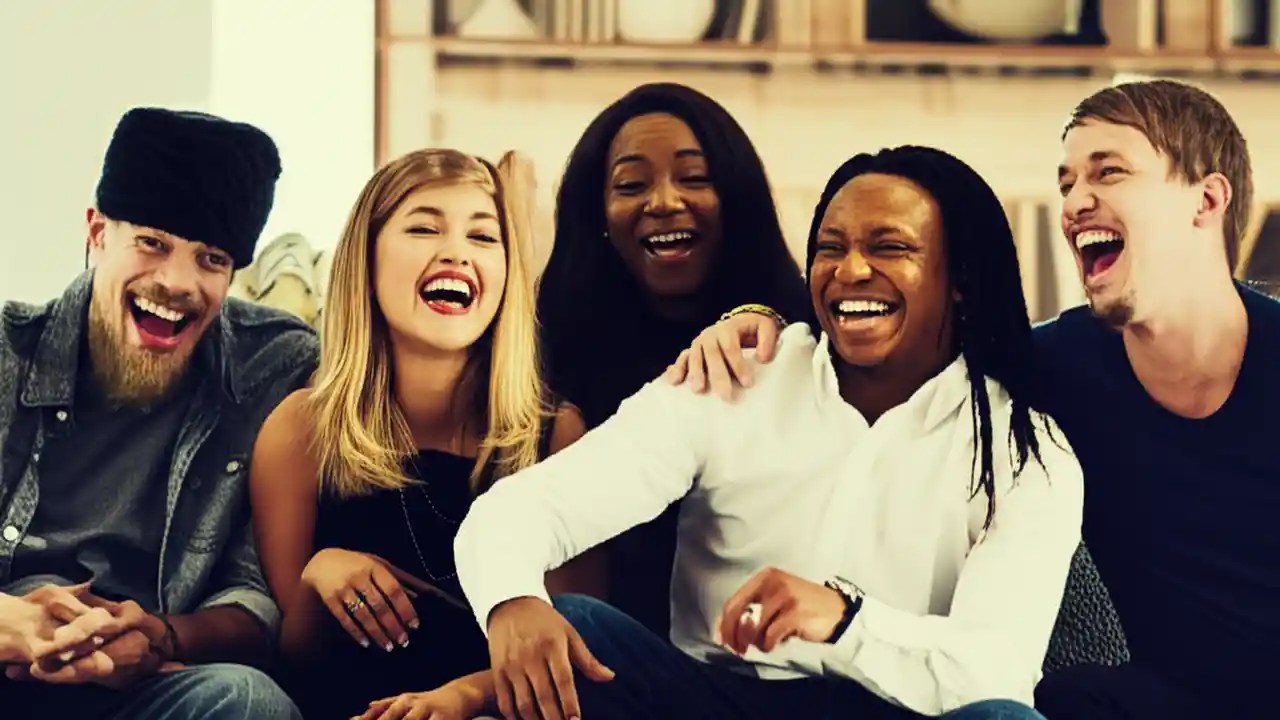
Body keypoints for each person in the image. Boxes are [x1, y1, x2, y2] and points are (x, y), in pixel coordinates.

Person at [666, 80, 1279, 719]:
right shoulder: (1049, 370)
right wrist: (761, 320)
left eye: (1110, 172)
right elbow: (885, 335)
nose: (1075, 202)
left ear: (1206, 200)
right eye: (1066, 183)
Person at [455, 146, 1083, 720]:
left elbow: (995, 668)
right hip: (713, 703)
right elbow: (521, 511)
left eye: (889, 247)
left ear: (962, 279)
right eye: (830, 248)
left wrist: (844, 621)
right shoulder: (734, 379)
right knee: (576, 625)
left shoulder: (1027, 449)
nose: (850, 270)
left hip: (900, 709)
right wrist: (510, 602)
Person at [249, 148, 600, 720]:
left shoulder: (557, 435)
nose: (456, 252)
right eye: (423, 228)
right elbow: (294, 668)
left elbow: (583, 648)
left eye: (484, 238)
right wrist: (321, 575)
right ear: (366, 258)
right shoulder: (300, 428)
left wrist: (462, 698)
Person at [0, 108, 312, 718]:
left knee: (248, 701)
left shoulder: (276, 367)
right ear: (96, 234)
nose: (176, 281)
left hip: (148, 686)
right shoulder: (6, 352)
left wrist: (158, 637)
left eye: (211, 258)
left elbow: (259, 594)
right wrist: (15, 625)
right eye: (152, 243)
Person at [537, 82, 810, 638]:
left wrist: (767, 322)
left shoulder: (804, 344)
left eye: (695, 178)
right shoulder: (549, 361)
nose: (663, 202)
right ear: (599, 216)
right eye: (632, 185)